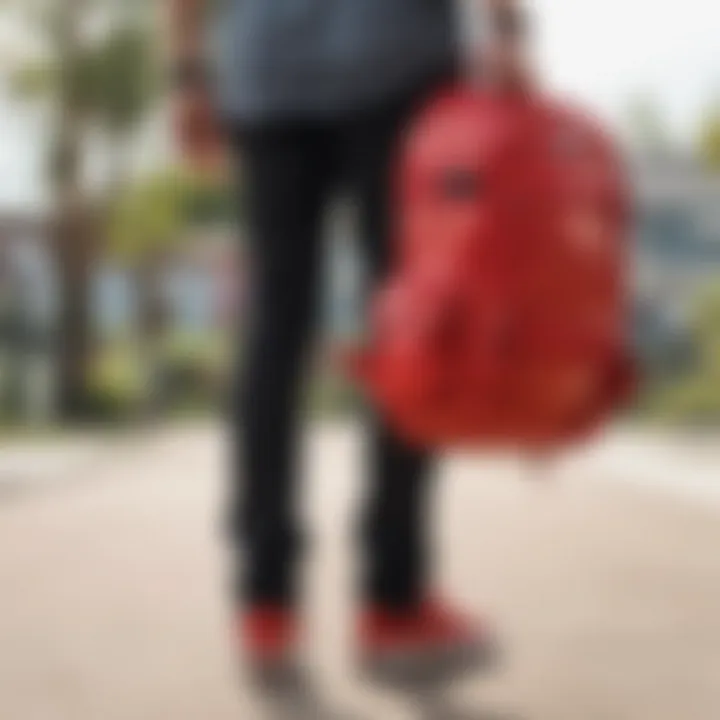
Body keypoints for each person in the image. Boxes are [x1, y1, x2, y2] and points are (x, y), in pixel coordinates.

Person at [167, 0, 531, 681]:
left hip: (267, 68)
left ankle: (264, 602)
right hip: (396, 58)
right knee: (413, 324)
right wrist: (506, 29)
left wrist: (188, 73)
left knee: (274, 329)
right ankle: (393, 601)